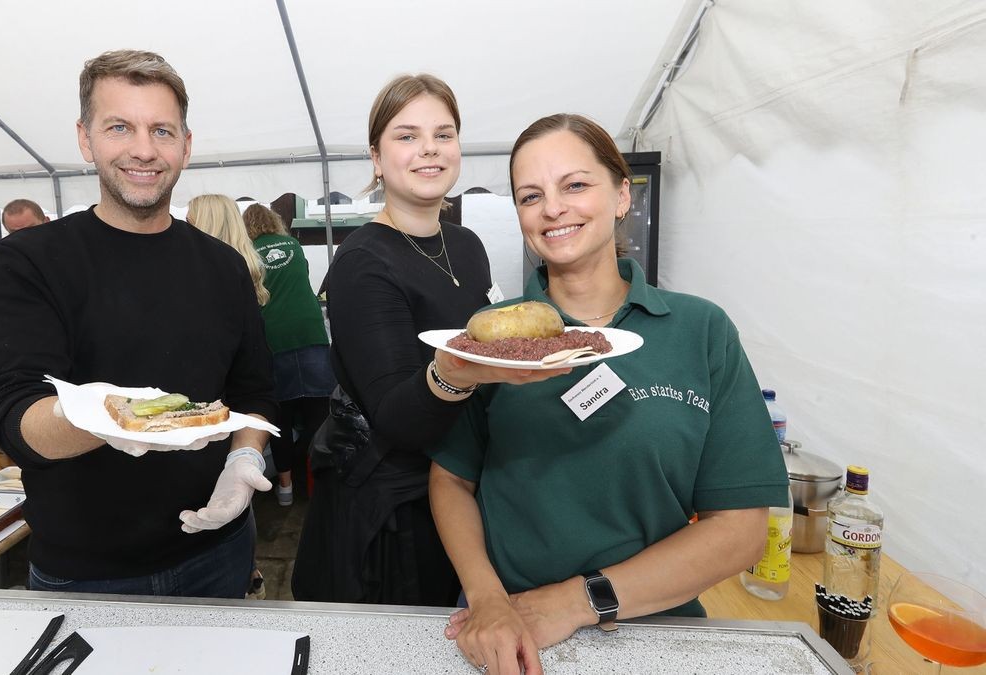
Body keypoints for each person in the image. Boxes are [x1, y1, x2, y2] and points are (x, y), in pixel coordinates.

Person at [429, 113, 789, 675]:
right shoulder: (488, 336)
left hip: (652, 631)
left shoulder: (700, 330)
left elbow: (740, 529)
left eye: (575, 185)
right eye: (531, 195)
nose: (552, 209)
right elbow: (451, 479)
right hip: (510, 630)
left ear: (623, 195)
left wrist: (577, 600)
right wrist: (487, 598)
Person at [0, 49, 276, 598]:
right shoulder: (30, 260)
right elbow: (14, 416)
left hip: (218, 549)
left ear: (186, 145)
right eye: (119, 127)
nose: (144, 150)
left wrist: (243, 457)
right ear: (85, 138)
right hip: (85, 571)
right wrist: (114, 422)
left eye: (162, 130)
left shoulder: (224, 266)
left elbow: (255, 390)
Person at [292, 74, 565, 606]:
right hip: (395, 508)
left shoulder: (466, 245)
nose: (429, 150)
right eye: (407, 135)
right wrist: (455, 374)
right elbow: (398, 417)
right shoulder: (362, 264)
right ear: (376, 157)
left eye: (443, 134)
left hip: (462, 483)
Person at [242, 203, 335, 506]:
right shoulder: (293, 244)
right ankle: (319, 483)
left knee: (279, 417)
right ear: (273, 221)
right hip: (310, 331)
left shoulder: (248, 251)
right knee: (320, 413)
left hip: (275, 337)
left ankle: (285, 489)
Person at [187, 194, 269, 306]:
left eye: (189, 223)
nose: (184, 228)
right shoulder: (251, 265)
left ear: (207, 226)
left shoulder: (199, 272)